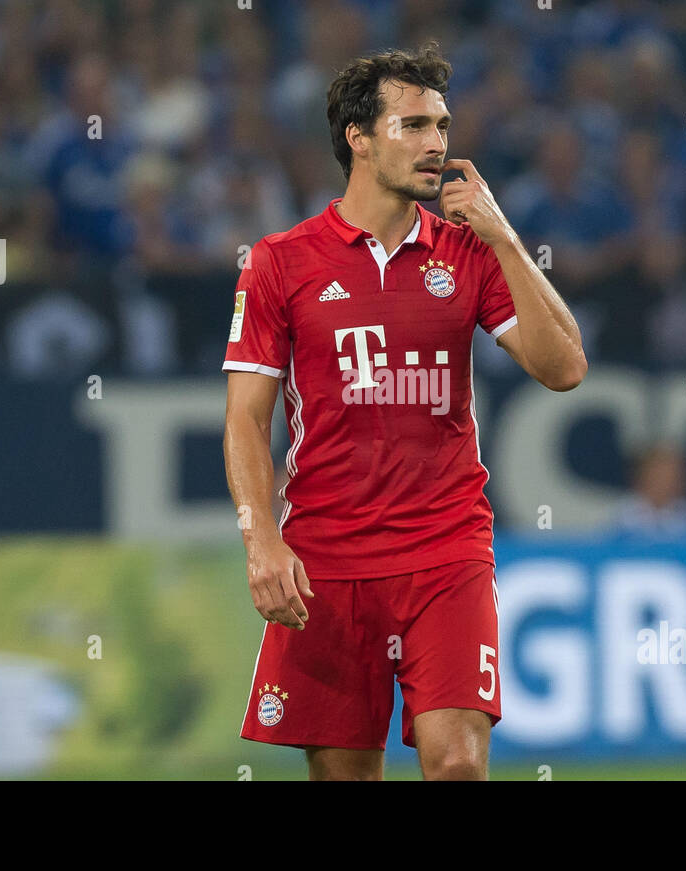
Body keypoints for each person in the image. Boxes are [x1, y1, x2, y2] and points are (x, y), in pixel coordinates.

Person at [222, 42, 586, 781]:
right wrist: (262, 539)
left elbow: (565, 369)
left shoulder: (470, 253)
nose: (437, 145)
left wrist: (505, 237)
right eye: (414, 125)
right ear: (358, 137)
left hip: (445, 550)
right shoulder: (279, 263)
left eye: (442, 125)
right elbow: (244, 420)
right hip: (329, 559)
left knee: (457, 764)